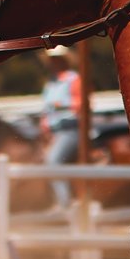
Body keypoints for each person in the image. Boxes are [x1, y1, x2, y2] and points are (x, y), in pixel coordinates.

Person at [38, 46, 85, 207]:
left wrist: (61, 106)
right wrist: (44, 125)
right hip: (53, 131)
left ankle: (64, 202)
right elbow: (45, 110)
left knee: (53, 161)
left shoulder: (73, 79)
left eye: (55, 59)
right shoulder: (50, 83)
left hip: (69, 129)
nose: (53, 63)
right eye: (52, 60)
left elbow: (80, 104)